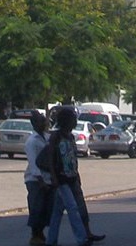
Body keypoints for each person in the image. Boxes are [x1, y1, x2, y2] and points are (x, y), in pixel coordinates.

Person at [43, 105, 102, 246]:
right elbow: (50, 158)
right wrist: (53, 177)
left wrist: (77, 175)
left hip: (72, 178)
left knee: (58, 212)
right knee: (72, 208)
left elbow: (72, 158)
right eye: (72, 119)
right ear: (65, 121)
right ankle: (81, 239)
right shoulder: (55, 137)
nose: (74, 122)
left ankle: (51, 240)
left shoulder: (70, 137)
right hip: (61, 178)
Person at [24, 111, 53, 246]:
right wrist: (41, 181)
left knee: (46, 208)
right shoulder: (32, 141)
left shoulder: (46, 138)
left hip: (47, 178)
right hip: (35, 180)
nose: (44, 123)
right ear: (35, 124)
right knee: (36, 207)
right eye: (41, 121)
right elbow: (33, 162)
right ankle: (35, 235)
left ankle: (40, 233)